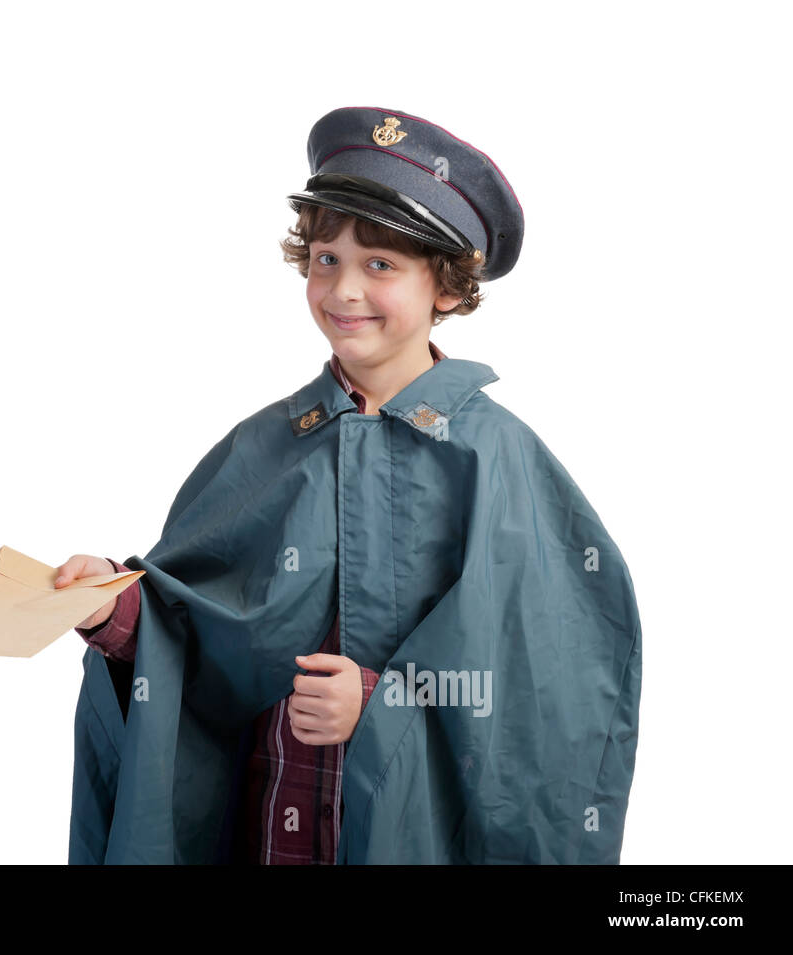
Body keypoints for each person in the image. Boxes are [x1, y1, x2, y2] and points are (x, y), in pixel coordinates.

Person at [55, 106, 642, 865]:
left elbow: (549, 687)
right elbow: (197, 628)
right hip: (271, 829)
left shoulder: (500, 460)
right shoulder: (265, 444)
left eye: (381, 264)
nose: (344, 288)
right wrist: (117, 604)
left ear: (451, 289)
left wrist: (383, 701)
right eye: (327, 257)